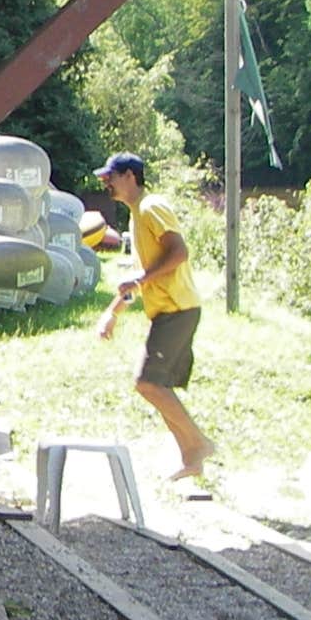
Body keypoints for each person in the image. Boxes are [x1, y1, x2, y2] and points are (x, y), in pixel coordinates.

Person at [96, 152, 217, 484]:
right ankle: (192, 458)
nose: (106, 183)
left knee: (148, 383)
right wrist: (113, 313)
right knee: (156, 386)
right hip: (169, 311)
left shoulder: (151, 207)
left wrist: (140, 279)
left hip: (178, 310)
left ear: (130, 176)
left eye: (111, 177)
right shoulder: (137, 215)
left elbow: (179, 252)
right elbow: (143, 276)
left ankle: (199, 444)